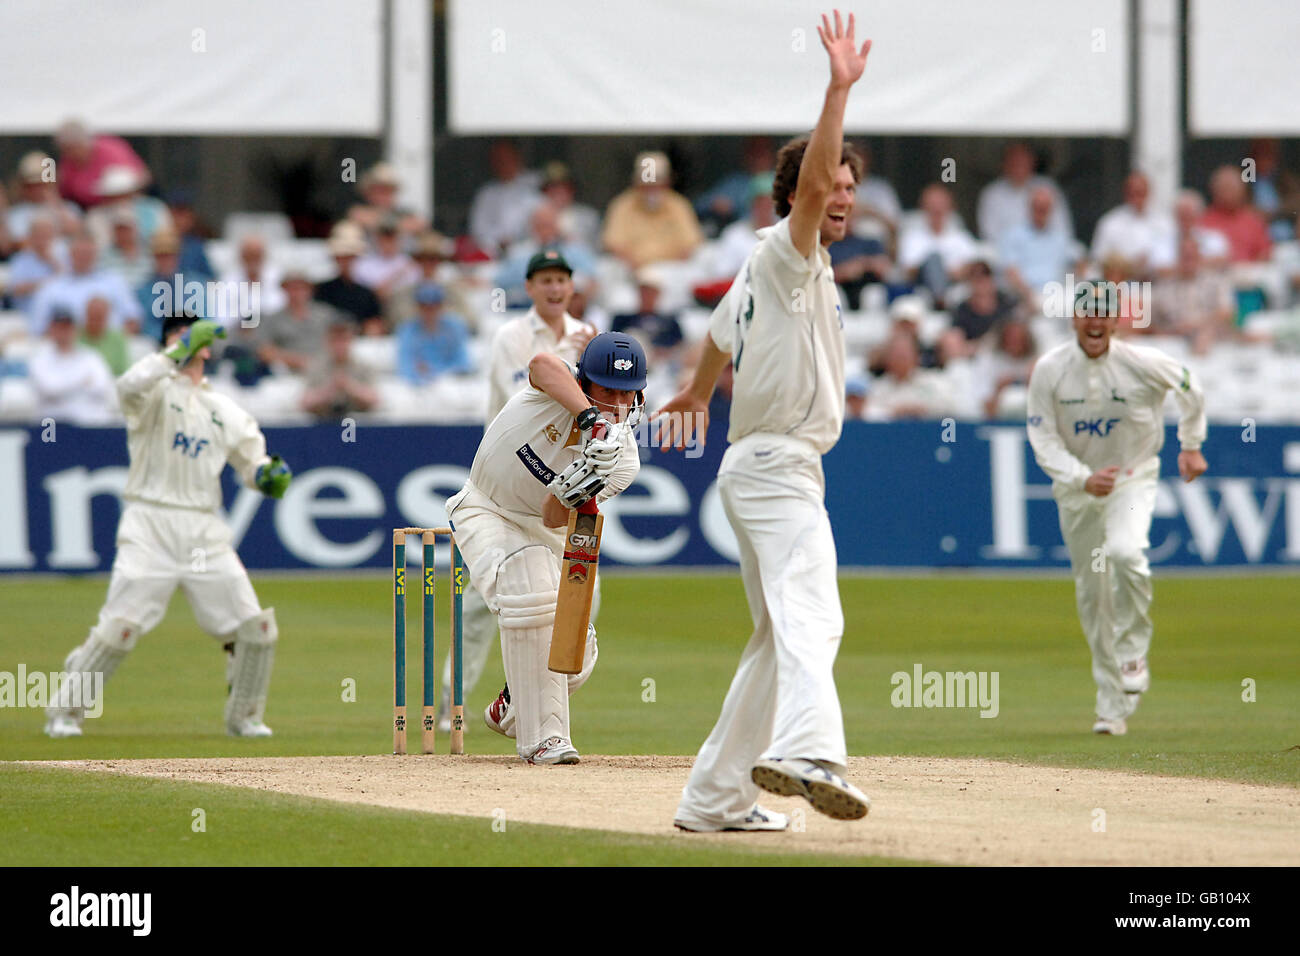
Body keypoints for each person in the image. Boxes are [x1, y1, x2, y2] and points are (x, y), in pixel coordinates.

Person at [655, 11, 873, 832]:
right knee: (814, 612)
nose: (843, 198)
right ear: (795, 198)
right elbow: (812, 188)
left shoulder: (773, 268)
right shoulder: (787, 251)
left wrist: (696, 393)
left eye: (853, 190)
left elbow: (715, 339)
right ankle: (810, 751)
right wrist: (837, 90)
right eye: (835, 188)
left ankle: (713, 800)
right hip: (776, 467)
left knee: (774, 640)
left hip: (765, 466)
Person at [44, 315, 292, 739]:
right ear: (166, 345)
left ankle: (244, 716)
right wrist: (175, 351)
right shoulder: (151, 393)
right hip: (149, 524)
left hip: (203, 529)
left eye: (193, 335)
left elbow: (251, 461)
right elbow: (126, 387)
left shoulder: (223, 408)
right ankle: (65, 712)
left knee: (256, 628)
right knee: (120, 627)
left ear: (209, 348)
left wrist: (265, 476)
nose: (188, 341)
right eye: (178, 335)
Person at [445, 333, 645, 764]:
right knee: (528, 579)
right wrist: (591, 420)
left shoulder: (623, 460)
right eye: (606, 389)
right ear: (585, 383)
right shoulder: (552, 394)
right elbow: (539, 362)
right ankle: (544, 740)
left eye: (626, 393)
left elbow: (553, 517)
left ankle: (512, 704)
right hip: (485, 508)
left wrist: (580, 479)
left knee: (577, 650)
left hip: (543, 529)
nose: (616, 402)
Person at [1026, 282, 1207, 736]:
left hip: (1132, 477)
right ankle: (1111, 706)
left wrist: (1191, 445)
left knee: (1126, 553)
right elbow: (1042, 437)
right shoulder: (1049, 370)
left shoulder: (1142, 363)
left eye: (1104, 313)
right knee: (1094, 596)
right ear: (1074, 318)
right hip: (1079, 490)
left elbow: (1190, 385)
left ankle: (1132, 652)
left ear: (1116, 320)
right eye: (1087, 312)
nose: (1095, 321)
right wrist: (1080, 477)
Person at [430, 249, 596, 734]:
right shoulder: (512, 337)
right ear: (529, 287)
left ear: (571, 285)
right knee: (484, 608)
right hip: (507, 486)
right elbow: (530, 391)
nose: (554, 288)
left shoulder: (590, 336)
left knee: (576, 608)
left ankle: (522, 703)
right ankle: (451, 704)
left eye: (561, 279)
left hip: (560, 488)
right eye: (544, 280)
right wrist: (579, 372)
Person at [602, 151, 704, 269]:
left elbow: (690, 245)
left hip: (672, 269)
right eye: (647, 185)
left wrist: (662, 267)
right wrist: (638, 267)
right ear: (636, 184)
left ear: (667, 183)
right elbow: (613, 245)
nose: (651, 191)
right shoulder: (622, 205)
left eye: (656, 185)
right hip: (631, 270)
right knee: (607, 267)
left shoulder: (679, 205)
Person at [28, 310, 118, 425]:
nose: (64, 332)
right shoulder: (40, 358)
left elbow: (101, 386)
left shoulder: (91, 356)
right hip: (55, 424)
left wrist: (64, 386)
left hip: (90, 423)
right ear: (52, 329)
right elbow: (49, 389)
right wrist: (82, 380)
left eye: (67, 327)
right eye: (60, 327)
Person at [394, 283, 474, 385]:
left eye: (434, 306)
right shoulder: (407, 330)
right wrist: (424, 376)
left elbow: (463, 360)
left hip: (451, 382)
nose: (429, 311)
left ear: (441, 306)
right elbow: (405, 364)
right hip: (420, 386)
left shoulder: (455, 326)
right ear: (418, 307)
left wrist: (441, 374)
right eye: (424, 306)